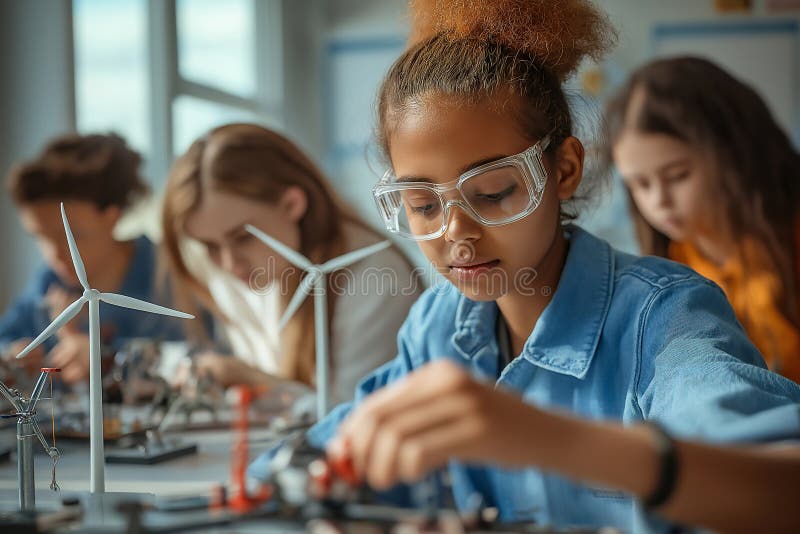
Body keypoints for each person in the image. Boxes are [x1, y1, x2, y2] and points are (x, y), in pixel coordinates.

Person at [249, 1, 800, 531]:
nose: (457, 233)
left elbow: (782, 492)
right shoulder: (439, 325)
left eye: (493, 192)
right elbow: (316, 459)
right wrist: (325, 491)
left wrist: (549, 438)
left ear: (563, 169)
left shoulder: (665, 318)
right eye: (422, 205)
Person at [160, 123, 420, 403]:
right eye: (209, 245)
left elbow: (358, 418)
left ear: (291, 204)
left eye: (243, 237)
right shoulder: (233, 275)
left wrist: (249, 378)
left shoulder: (377, 277)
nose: (229, 264)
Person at [604, 56, 800, 383]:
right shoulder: (673, 262)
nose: (658, 201)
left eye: (677, 176)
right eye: (640, 184)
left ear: (733, 154)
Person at [0, 133, 181, 384]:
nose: (55, 254)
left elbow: (194, 357)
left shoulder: (166, 273)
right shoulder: (48, 282)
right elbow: (5, 340)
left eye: (72, 235)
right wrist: (12, 358)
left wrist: (106, 360)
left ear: (112, 217)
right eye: (40, 237)